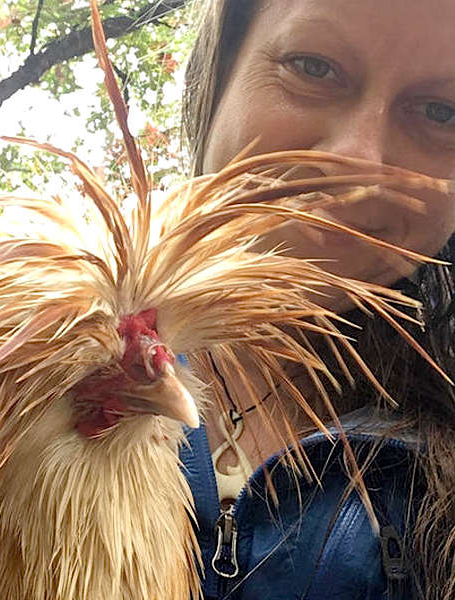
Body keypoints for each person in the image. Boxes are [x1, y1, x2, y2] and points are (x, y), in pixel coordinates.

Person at [180, 0, 455, 597]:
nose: (357, 160)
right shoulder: (1, 360)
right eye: (313, 66)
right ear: (218, 73)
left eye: (441, 111)